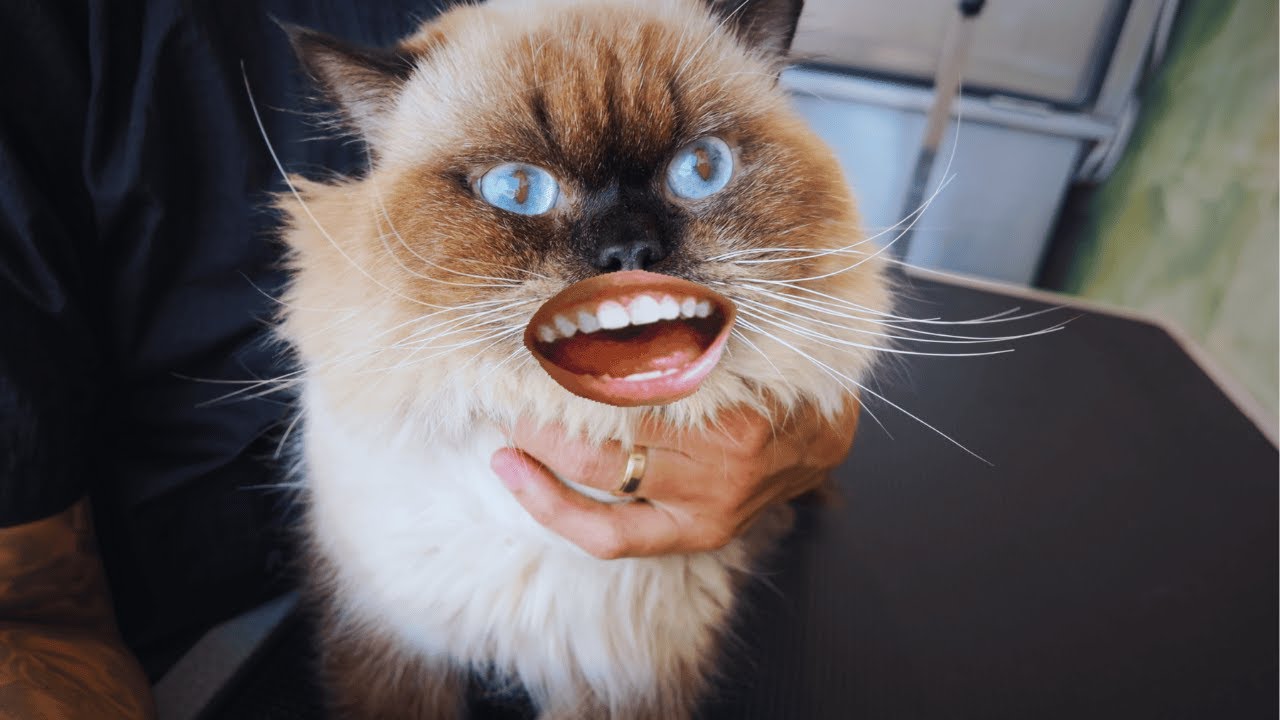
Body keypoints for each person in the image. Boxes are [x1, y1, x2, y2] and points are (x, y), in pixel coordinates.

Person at [0, 1, 858, 717]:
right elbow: (29, 604)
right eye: (522, 190)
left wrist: (818, 409)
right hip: (199, 620)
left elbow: (825, 269)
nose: (631, 244)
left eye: (697, 168)